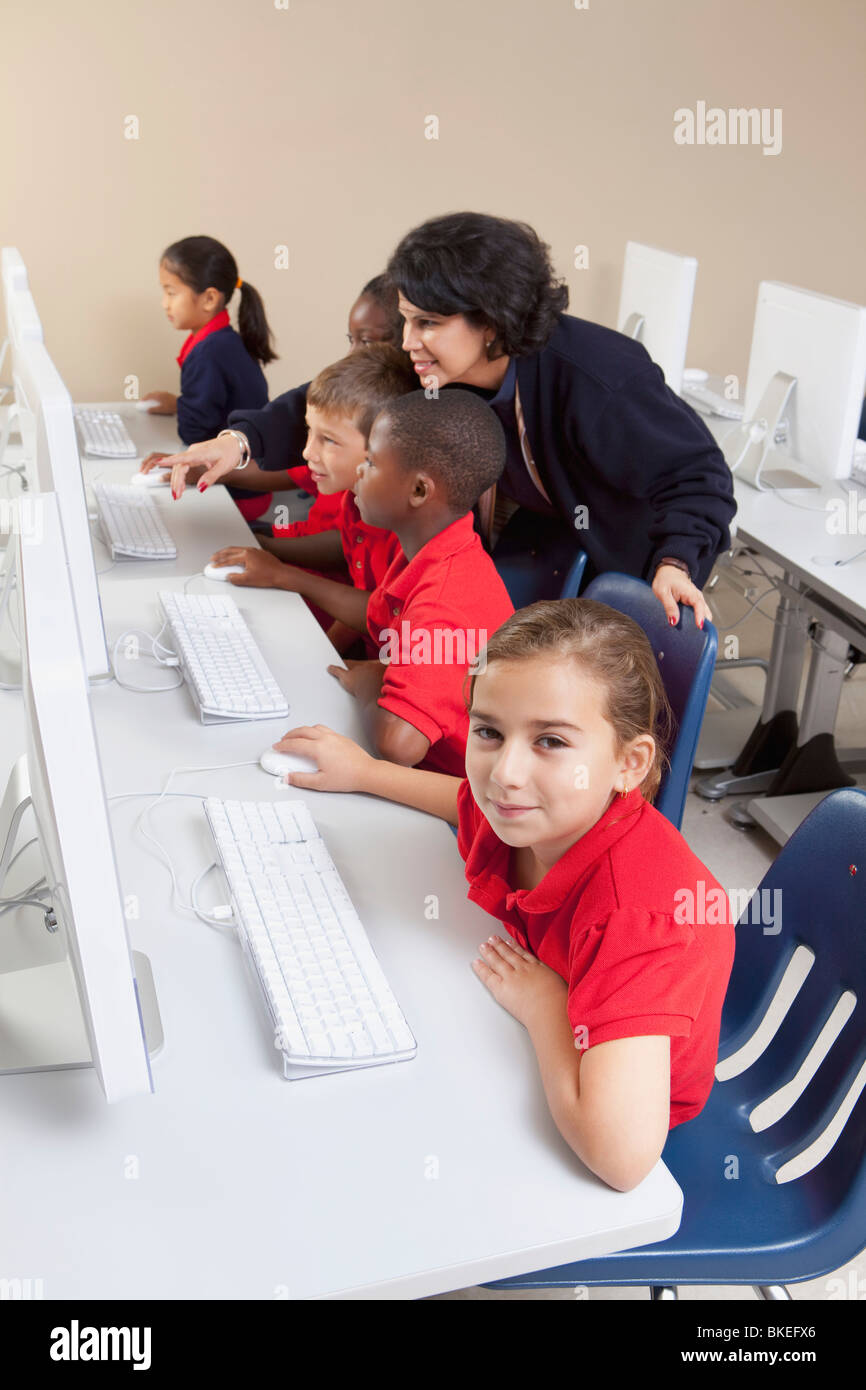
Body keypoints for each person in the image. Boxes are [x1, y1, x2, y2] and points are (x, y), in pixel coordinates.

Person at [273, 598, 736, 1190]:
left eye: (550, 742)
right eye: (489, 731)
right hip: (541, 1037)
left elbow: (621, 1160)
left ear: (628, 763)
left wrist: (544, 1004)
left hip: (624, 1103)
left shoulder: (637, 918)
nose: (506, 774)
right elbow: (464, 802)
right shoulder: (531, 815)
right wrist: (364, 772)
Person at [386, 211, 737, 627]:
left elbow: (700, 477)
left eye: (427, 323)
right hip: (553, 545)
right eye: (406, 318)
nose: (408, 340)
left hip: (636, 560)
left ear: (491, 322)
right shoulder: (444, 374)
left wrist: (675, 562)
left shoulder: (598, 378)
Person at [272, 389, 513, 772]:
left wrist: (371, 686)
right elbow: (376, 612)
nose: (360, 472)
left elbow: (399, 745)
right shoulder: (432, 550)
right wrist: (287, 577)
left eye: (370, 462)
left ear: (419, 490)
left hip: (454, 796)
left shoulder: (443, 598)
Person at [207, 344, 414, 652]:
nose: (307, 452)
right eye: (309, 431)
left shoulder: (408, 528)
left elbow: (383, 615)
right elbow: (361, 590)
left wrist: (284, 575)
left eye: (328, 440)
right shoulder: (355, 499)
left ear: (385, 446)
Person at [137, 235, 278, 522]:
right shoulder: (221, 341)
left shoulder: (209, 352)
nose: (164, 304)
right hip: (251, 482)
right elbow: (223, 403)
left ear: (210, 298)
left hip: (240, 493)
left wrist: (186, 413)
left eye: (171, 293)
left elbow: (192, 434)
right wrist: (180, 403)